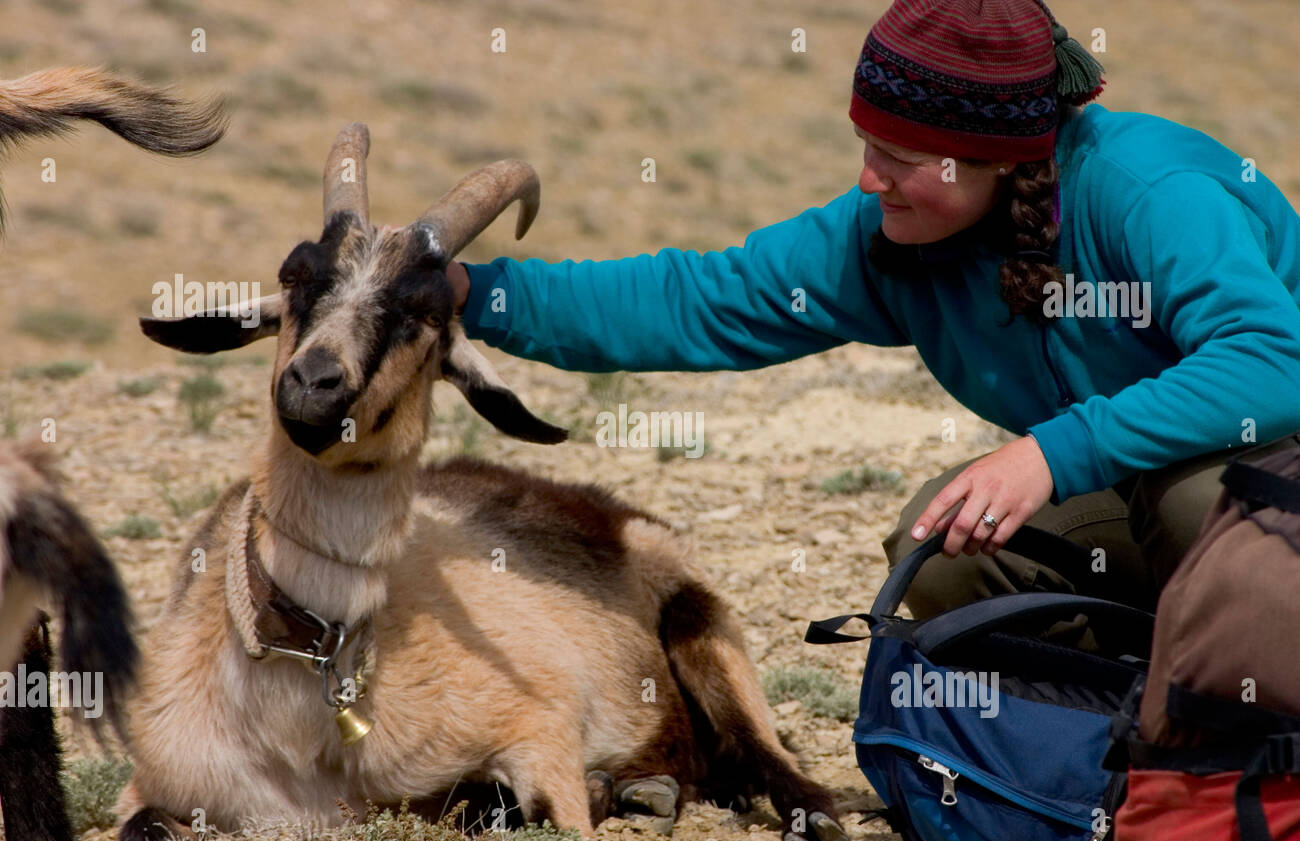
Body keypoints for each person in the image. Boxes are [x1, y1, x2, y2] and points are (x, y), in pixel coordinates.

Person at [441, 0, 1300, 619]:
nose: (867, 178)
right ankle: (1113, 727)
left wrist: (1050, 452)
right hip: (1132, 485)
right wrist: (480, 295)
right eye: (865, 145)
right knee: (951, 550)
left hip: (1270, 463)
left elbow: (1272, 359)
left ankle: (1243, 743)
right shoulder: (899, 231)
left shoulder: (1150, 192)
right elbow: (701, 297)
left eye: (899, 156)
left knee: (1202, 506)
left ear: (993, 160)